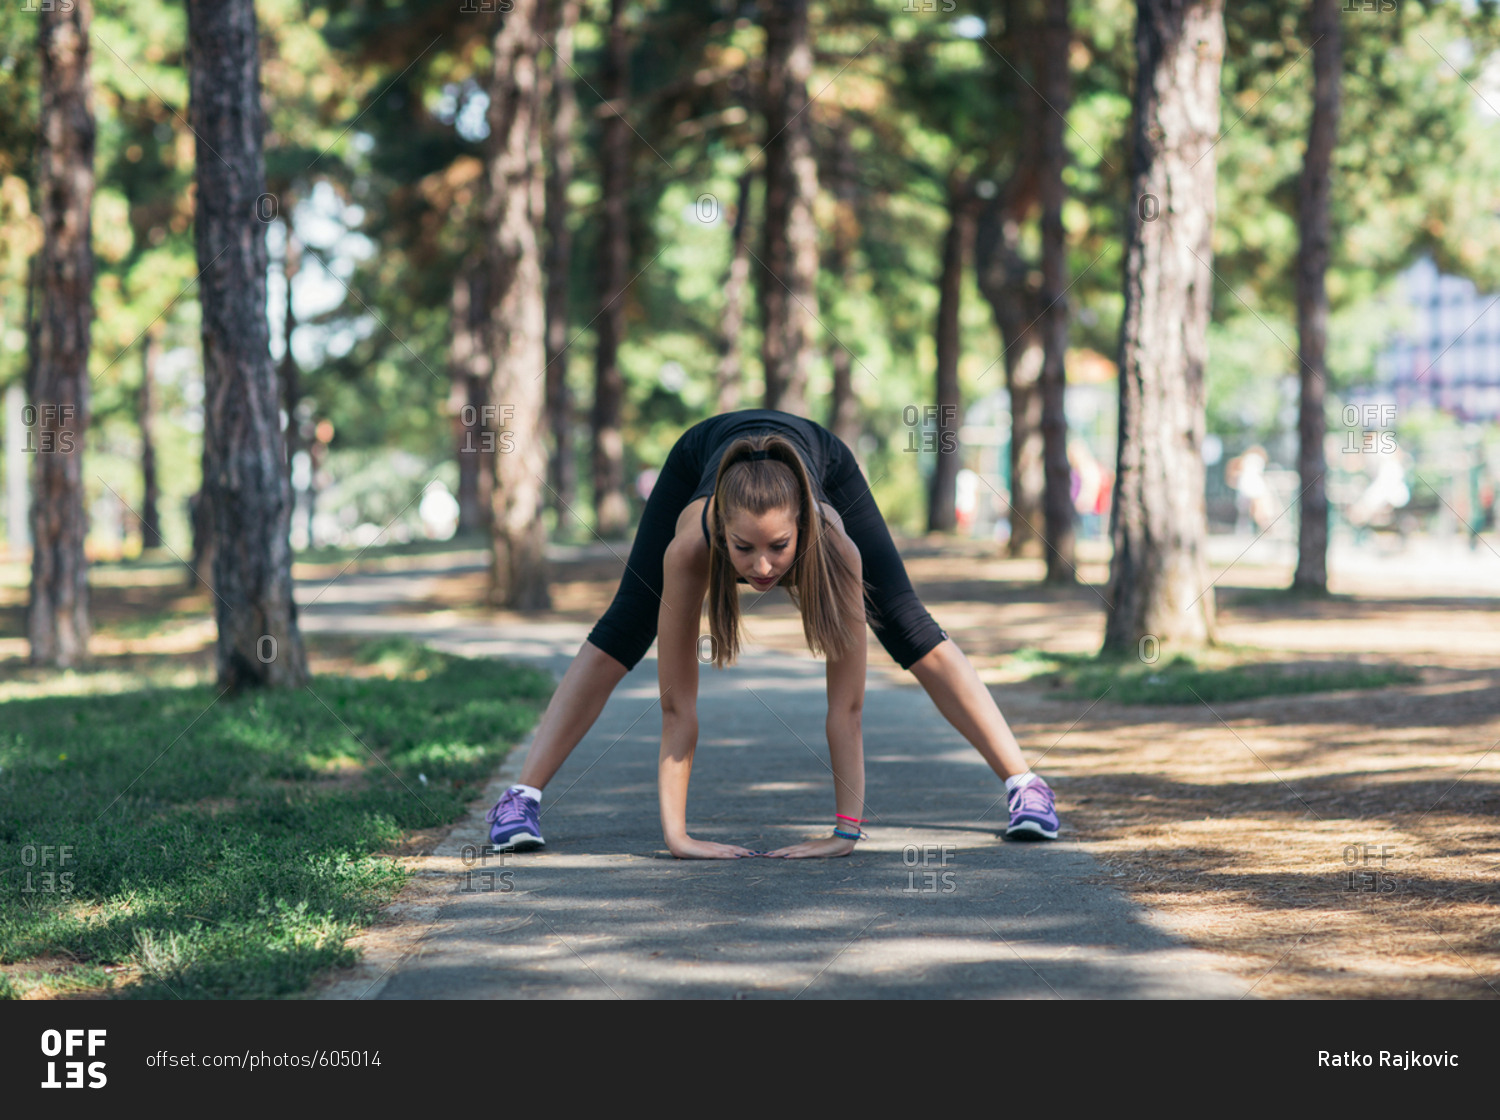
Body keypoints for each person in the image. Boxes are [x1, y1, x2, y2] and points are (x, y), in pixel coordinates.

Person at [485, 409, 1061, 859]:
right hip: (699, 452)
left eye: (778, 547)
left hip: (822, 458)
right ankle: (520, 799)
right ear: (720, 533)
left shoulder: (834, 542)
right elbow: (676, 708)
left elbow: (849, 707)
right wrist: (678, 839)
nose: (761, 568)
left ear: (804, 526)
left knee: (905, 622)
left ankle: (1025, 785)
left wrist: (845, 831)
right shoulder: (690, 546)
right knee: (629, 620)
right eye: (744, 549)